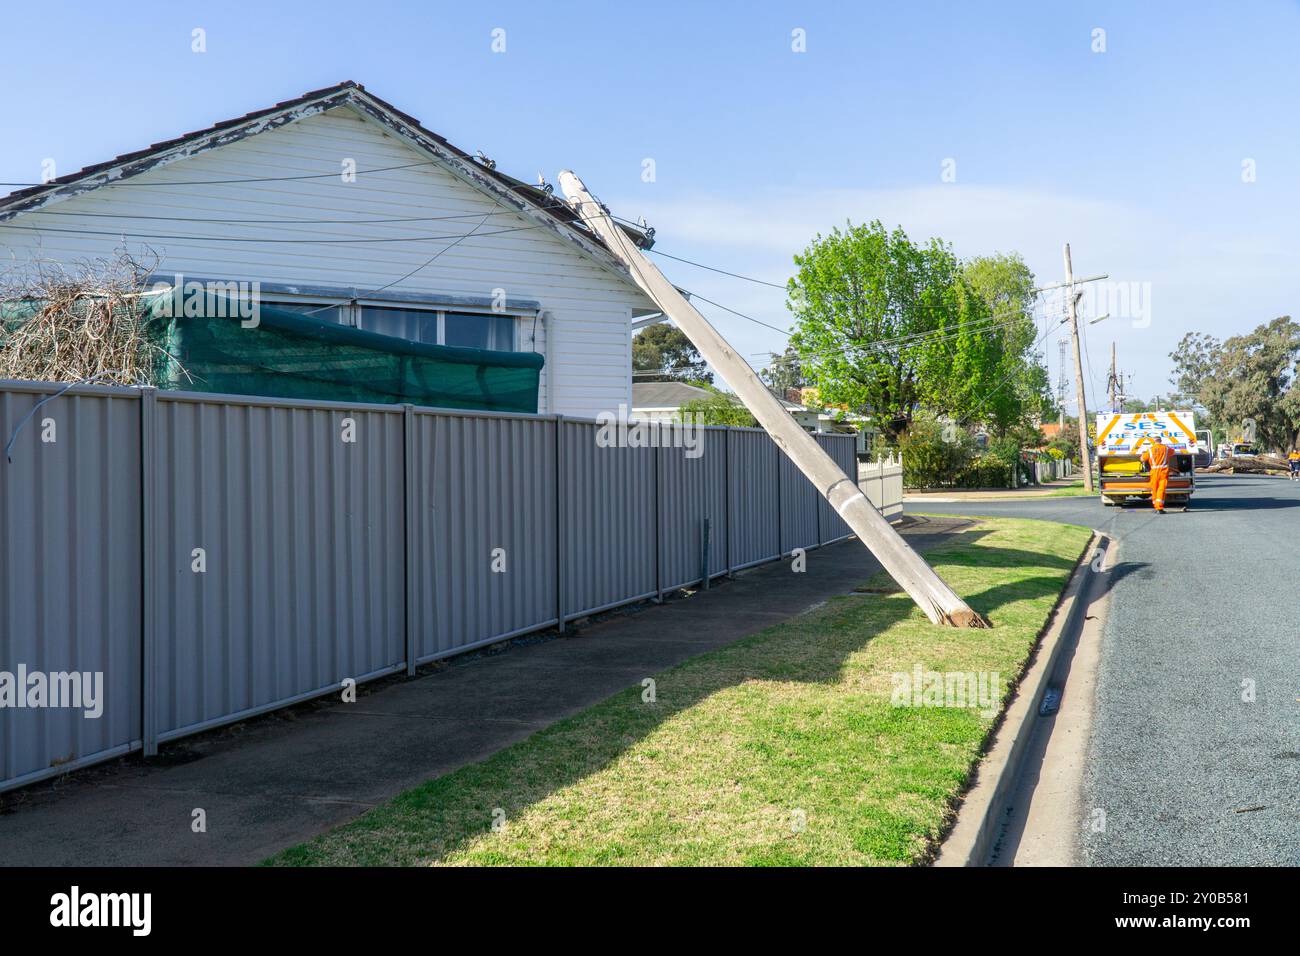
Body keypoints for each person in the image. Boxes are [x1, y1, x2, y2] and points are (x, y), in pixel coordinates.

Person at [1140, 436, 1174, 514]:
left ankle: (1156, 506)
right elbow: (1173, 452)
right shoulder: (1166, 448)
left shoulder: (1150, 450)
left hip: (1154, 471)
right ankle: (1159, 508)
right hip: (1163, 471)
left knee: (1154, 489)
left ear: (1154, 441)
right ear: (1161, 441)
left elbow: (1142, 459)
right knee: (1161, 489)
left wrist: (1143, 453)